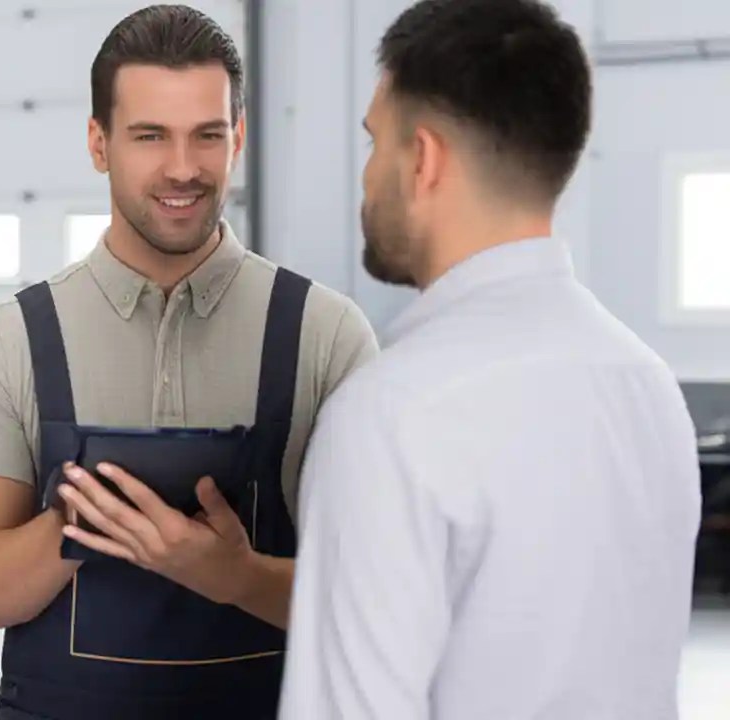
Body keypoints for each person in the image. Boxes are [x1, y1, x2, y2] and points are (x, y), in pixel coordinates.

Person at [0, 5, 378, 719]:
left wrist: (236, 576)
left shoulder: (325, 336)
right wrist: (84, 525)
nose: (182, 168)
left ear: (238, 137)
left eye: (206, 136)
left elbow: (375, 601)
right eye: (150, 137)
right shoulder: (11, 340)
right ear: (99, 143)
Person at [278, 1, 703, 718]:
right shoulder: (649, 389)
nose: (367, 175)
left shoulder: (392, 415)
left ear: (425, 159)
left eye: (376, 142)